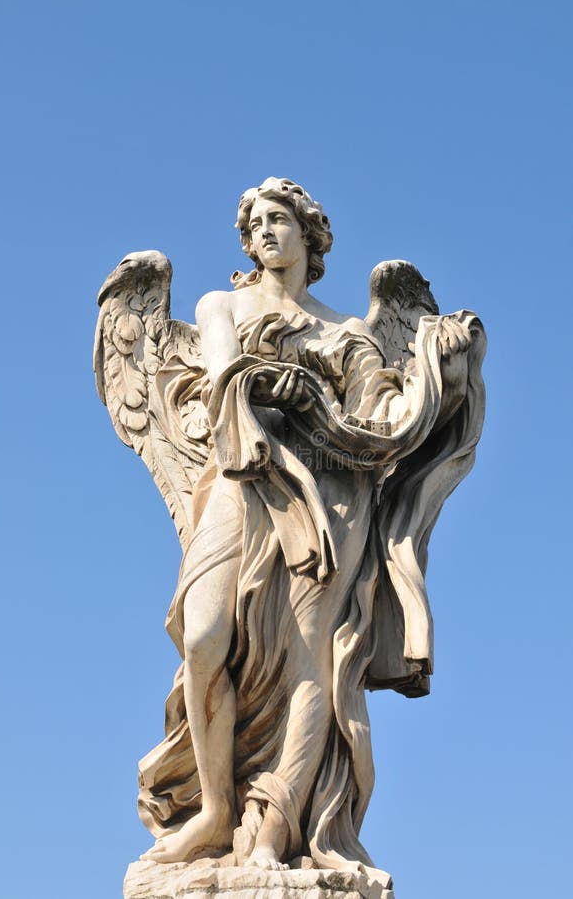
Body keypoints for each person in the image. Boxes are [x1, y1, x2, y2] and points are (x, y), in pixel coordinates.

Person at [137, 178, 484, 872]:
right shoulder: (222, 305)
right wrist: (275, 385)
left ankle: (272, 826)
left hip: (331, 500)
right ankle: (214, 810)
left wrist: (437, 369)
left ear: (310, 234)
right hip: (244, 478)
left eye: (279, 220)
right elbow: (222, 374)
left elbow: (381, 426)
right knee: (204, 635)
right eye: (255, 224)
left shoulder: (348, 332)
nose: (265, 232)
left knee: (313, 661)